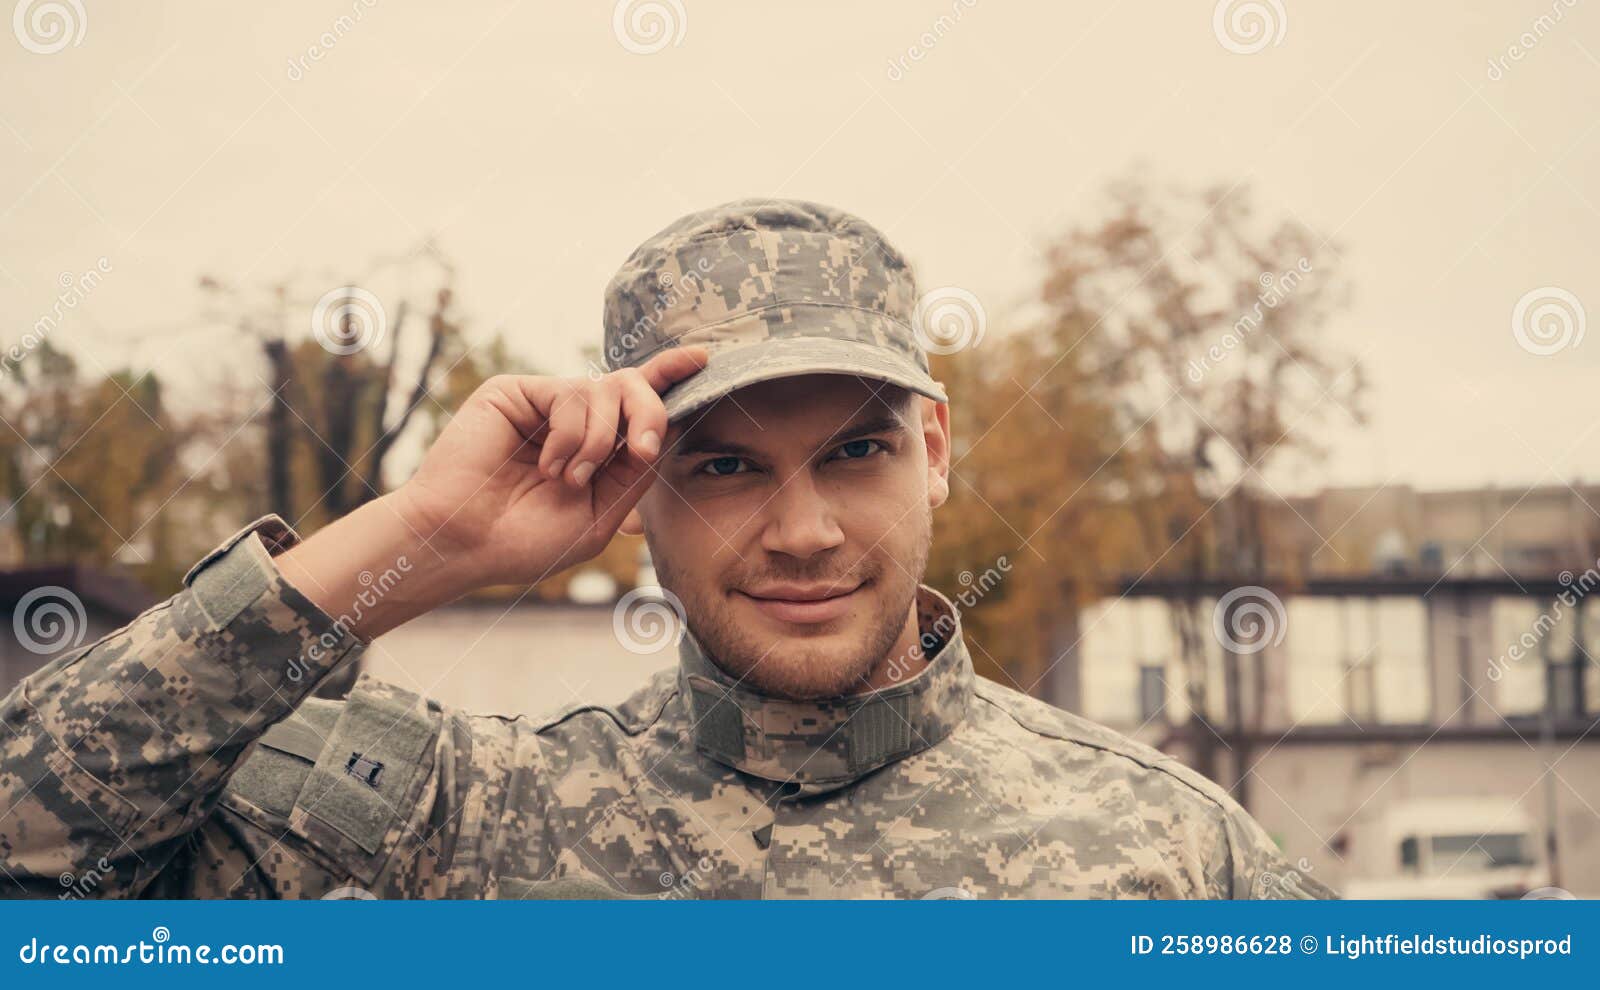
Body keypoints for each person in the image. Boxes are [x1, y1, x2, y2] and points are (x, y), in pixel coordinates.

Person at [0, 199, 1333, 899]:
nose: (801, 532)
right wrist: (421, 536)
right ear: (636, 482)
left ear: (933, 449)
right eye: (725, 466)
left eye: (853, 452)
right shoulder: (451, 818)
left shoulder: (1166, 850)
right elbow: (30, 855)